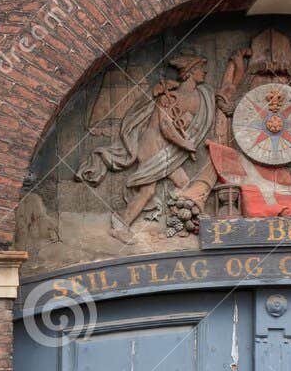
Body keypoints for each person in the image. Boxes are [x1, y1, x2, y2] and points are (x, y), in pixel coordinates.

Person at [77, 53, 218, 241]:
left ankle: (177, 225)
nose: (205, 72)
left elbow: (178, 126)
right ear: (191, 72)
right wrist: (185, 144)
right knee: (148, 190)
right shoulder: (170, 97)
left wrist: (185, 132)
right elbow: (166, 127)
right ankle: (121, 224)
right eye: (201, 68)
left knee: (184, 182)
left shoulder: (196, 96)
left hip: (167, 148)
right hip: (151, 144)